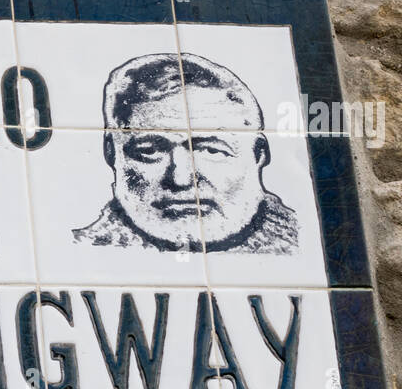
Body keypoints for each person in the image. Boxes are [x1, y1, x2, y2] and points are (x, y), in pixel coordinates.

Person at [73, 53, 298, 254]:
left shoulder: (302, 245)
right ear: (111, 153)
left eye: (211, 150)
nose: (180, 180)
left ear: (258, 154)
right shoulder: (77, 254)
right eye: (149, 151)